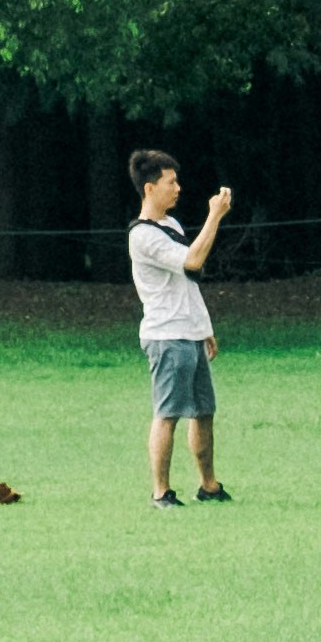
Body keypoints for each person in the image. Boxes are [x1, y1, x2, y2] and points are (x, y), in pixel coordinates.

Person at [128, 151, 234, 507]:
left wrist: (204, 327)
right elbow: (193, 260)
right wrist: (214, 215)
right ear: (149, 188)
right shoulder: (143, 236)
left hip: (189, 332)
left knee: (204, 411)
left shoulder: (171, 226)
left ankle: (209, 486)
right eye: (170, 182)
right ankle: (161, 492)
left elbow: (187, 282)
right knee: (168, 414)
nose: (178, 188)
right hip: (166, 336)